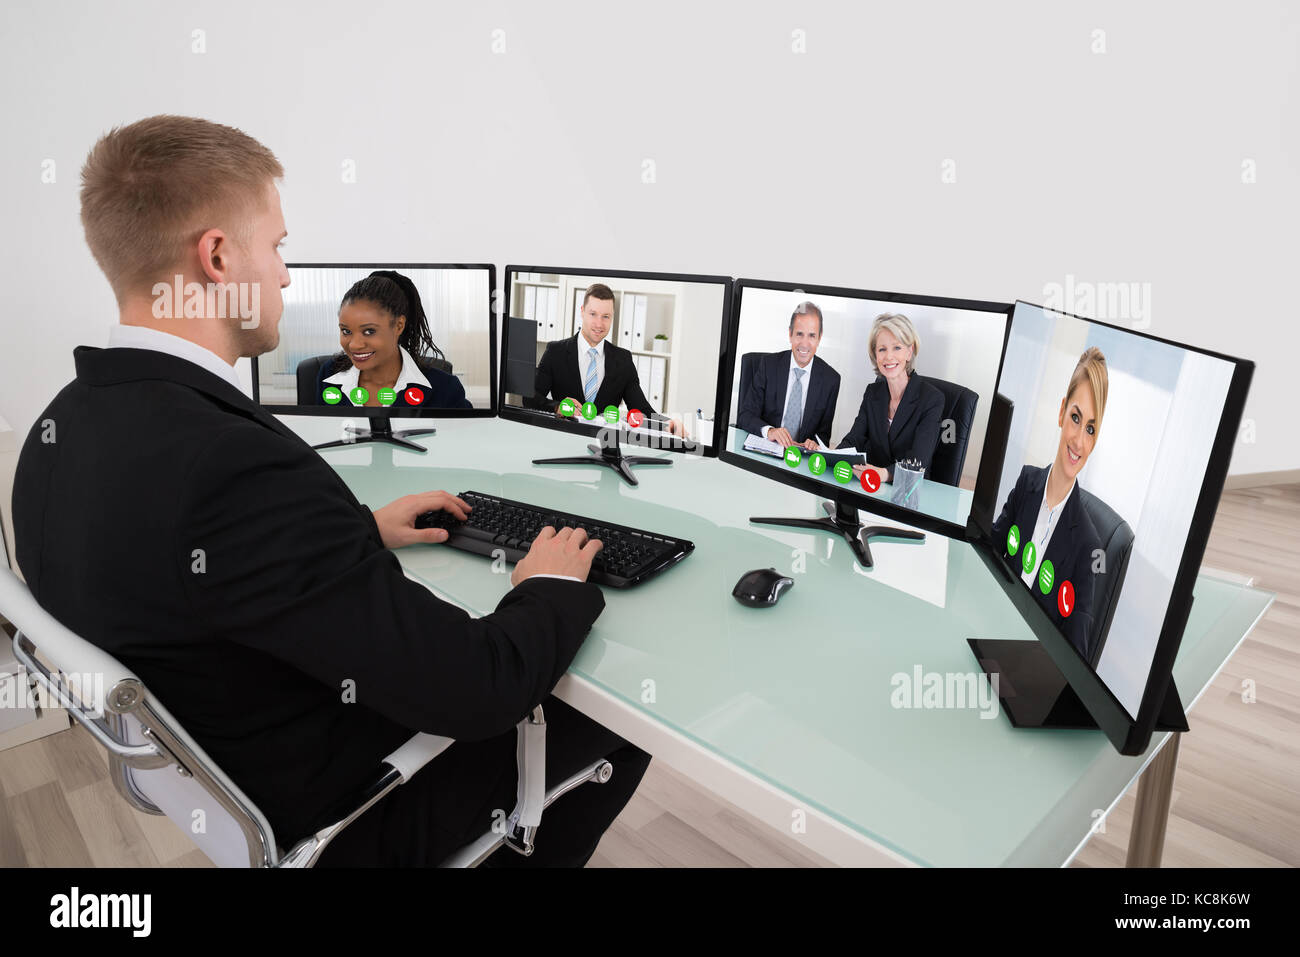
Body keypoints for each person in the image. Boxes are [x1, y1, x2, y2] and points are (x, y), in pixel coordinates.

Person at [12, 115, 649, 867]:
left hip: (232, 776)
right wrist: (544, 587)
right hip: (351, 813)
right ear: (217, 256)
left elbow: (182, 574)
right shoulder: (232, 467)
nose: (284, 273)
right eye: (276, 246)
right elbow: (479, 686)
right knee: (619, 726)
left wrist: (356, 534)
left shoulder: (60, 426)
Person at [991, 347, 1109, 662]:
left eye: (1091, 429)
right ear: (1060, 413)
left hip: (1030, 669)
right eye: (1075, 417)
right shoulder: (1027, 483)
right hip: (990, 632)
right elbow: (990, 552)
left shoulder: (1088, 546)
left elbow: (1075, 660)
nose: (1079, 441)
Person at [528, 283, 684, 436]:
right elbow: (530, 397)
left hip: (603, 447)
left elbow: (641, 410)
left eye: (606, 316)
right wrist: (557, 407)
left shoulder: (623, 360)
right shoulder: (556, 351)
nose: (599, 323)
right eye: (593, 314)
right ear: (582, 312)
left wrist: (668, 424)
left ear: (612, 318)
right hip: (564, 439)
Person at [313, 270, 472, 409]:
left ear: (398, 326)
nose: (354, 344)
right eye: (346, 331)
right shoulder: (328, 375)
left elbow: (466, 439)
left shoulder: (444, 388)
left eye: (369, 331)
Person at [837, 313, 944, 483]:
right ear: (875, 355)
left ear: (910, 352)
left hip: (909, 494)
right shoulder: (873, 393)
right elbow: (854, 438)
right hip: (870, 487)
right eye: (882, 349)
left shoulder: (931, 399)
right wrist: (832, 457)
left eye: (897, 348)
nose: (888, 356)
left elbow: (918, 462)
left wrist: (883, 474)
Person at [736, 301, 841, 451]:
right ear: (790, 334)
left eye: (811, 335)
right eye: (799, 334)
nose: (804, 344)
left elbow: (823, 435)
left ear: (819, 338)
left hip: (800, 458)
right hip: (767, 450)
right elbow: (745, 416)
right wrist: (770, 431)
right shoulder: (768, 366)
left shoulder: (831, 380)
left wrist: (814, 444)